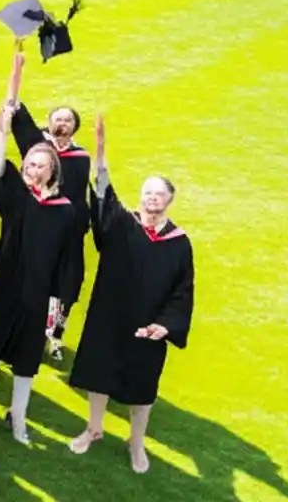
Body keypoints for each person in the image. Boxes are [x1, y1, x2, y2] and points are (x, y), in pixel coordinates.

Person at [68, 115, 195, 474]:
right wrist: (102, 155)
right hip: (111, 315)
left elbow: (183, 291)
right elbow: (105, 201)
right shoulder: (125, 224)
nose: (152, 198)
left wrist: (165, 326)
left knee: (142, 386)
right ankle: (94, 429)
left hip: (148, 326)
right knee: (98, 373)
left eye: (159, 193)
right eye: (147, 192)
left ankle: (136, 441)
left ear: (169, 199)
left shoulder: (179, 244)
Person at [0, 102, 80, 445]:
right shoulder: (17, 196)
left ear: (53, 171)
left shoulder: (65, 211)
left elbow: (69, 260)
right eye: (29, 163)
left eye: (40, 164)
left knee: (27, 358)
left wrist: (59, 302)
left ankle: (18, 418)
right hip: (5, 284)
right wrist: (1, 129)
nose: (32, 168)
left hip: (38, 292)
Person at [5, 51, 91, 361]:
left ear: (74, 126)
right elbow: (14, 111)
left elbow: (84, 194)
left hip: (69, 230)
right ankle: (25, 329)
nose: (62, 123)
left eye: (68, 120)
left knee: (69, 282)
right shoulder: (36, 146)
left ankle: (56, 334)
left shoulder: (82, 157)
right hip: (37, 226)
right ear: (49, 122)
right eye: (58, 118)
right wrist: (16, 74)